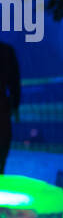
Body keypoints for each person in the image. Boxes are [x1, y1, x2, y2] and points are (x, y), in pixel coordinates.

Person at [0, 41, 21, 174]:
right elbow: (14, 81)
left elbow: (14, 81)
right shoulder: (6, 51)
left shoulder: (6, 51)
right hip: (2, 106)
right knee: (3, 143)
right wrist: (15, 105)